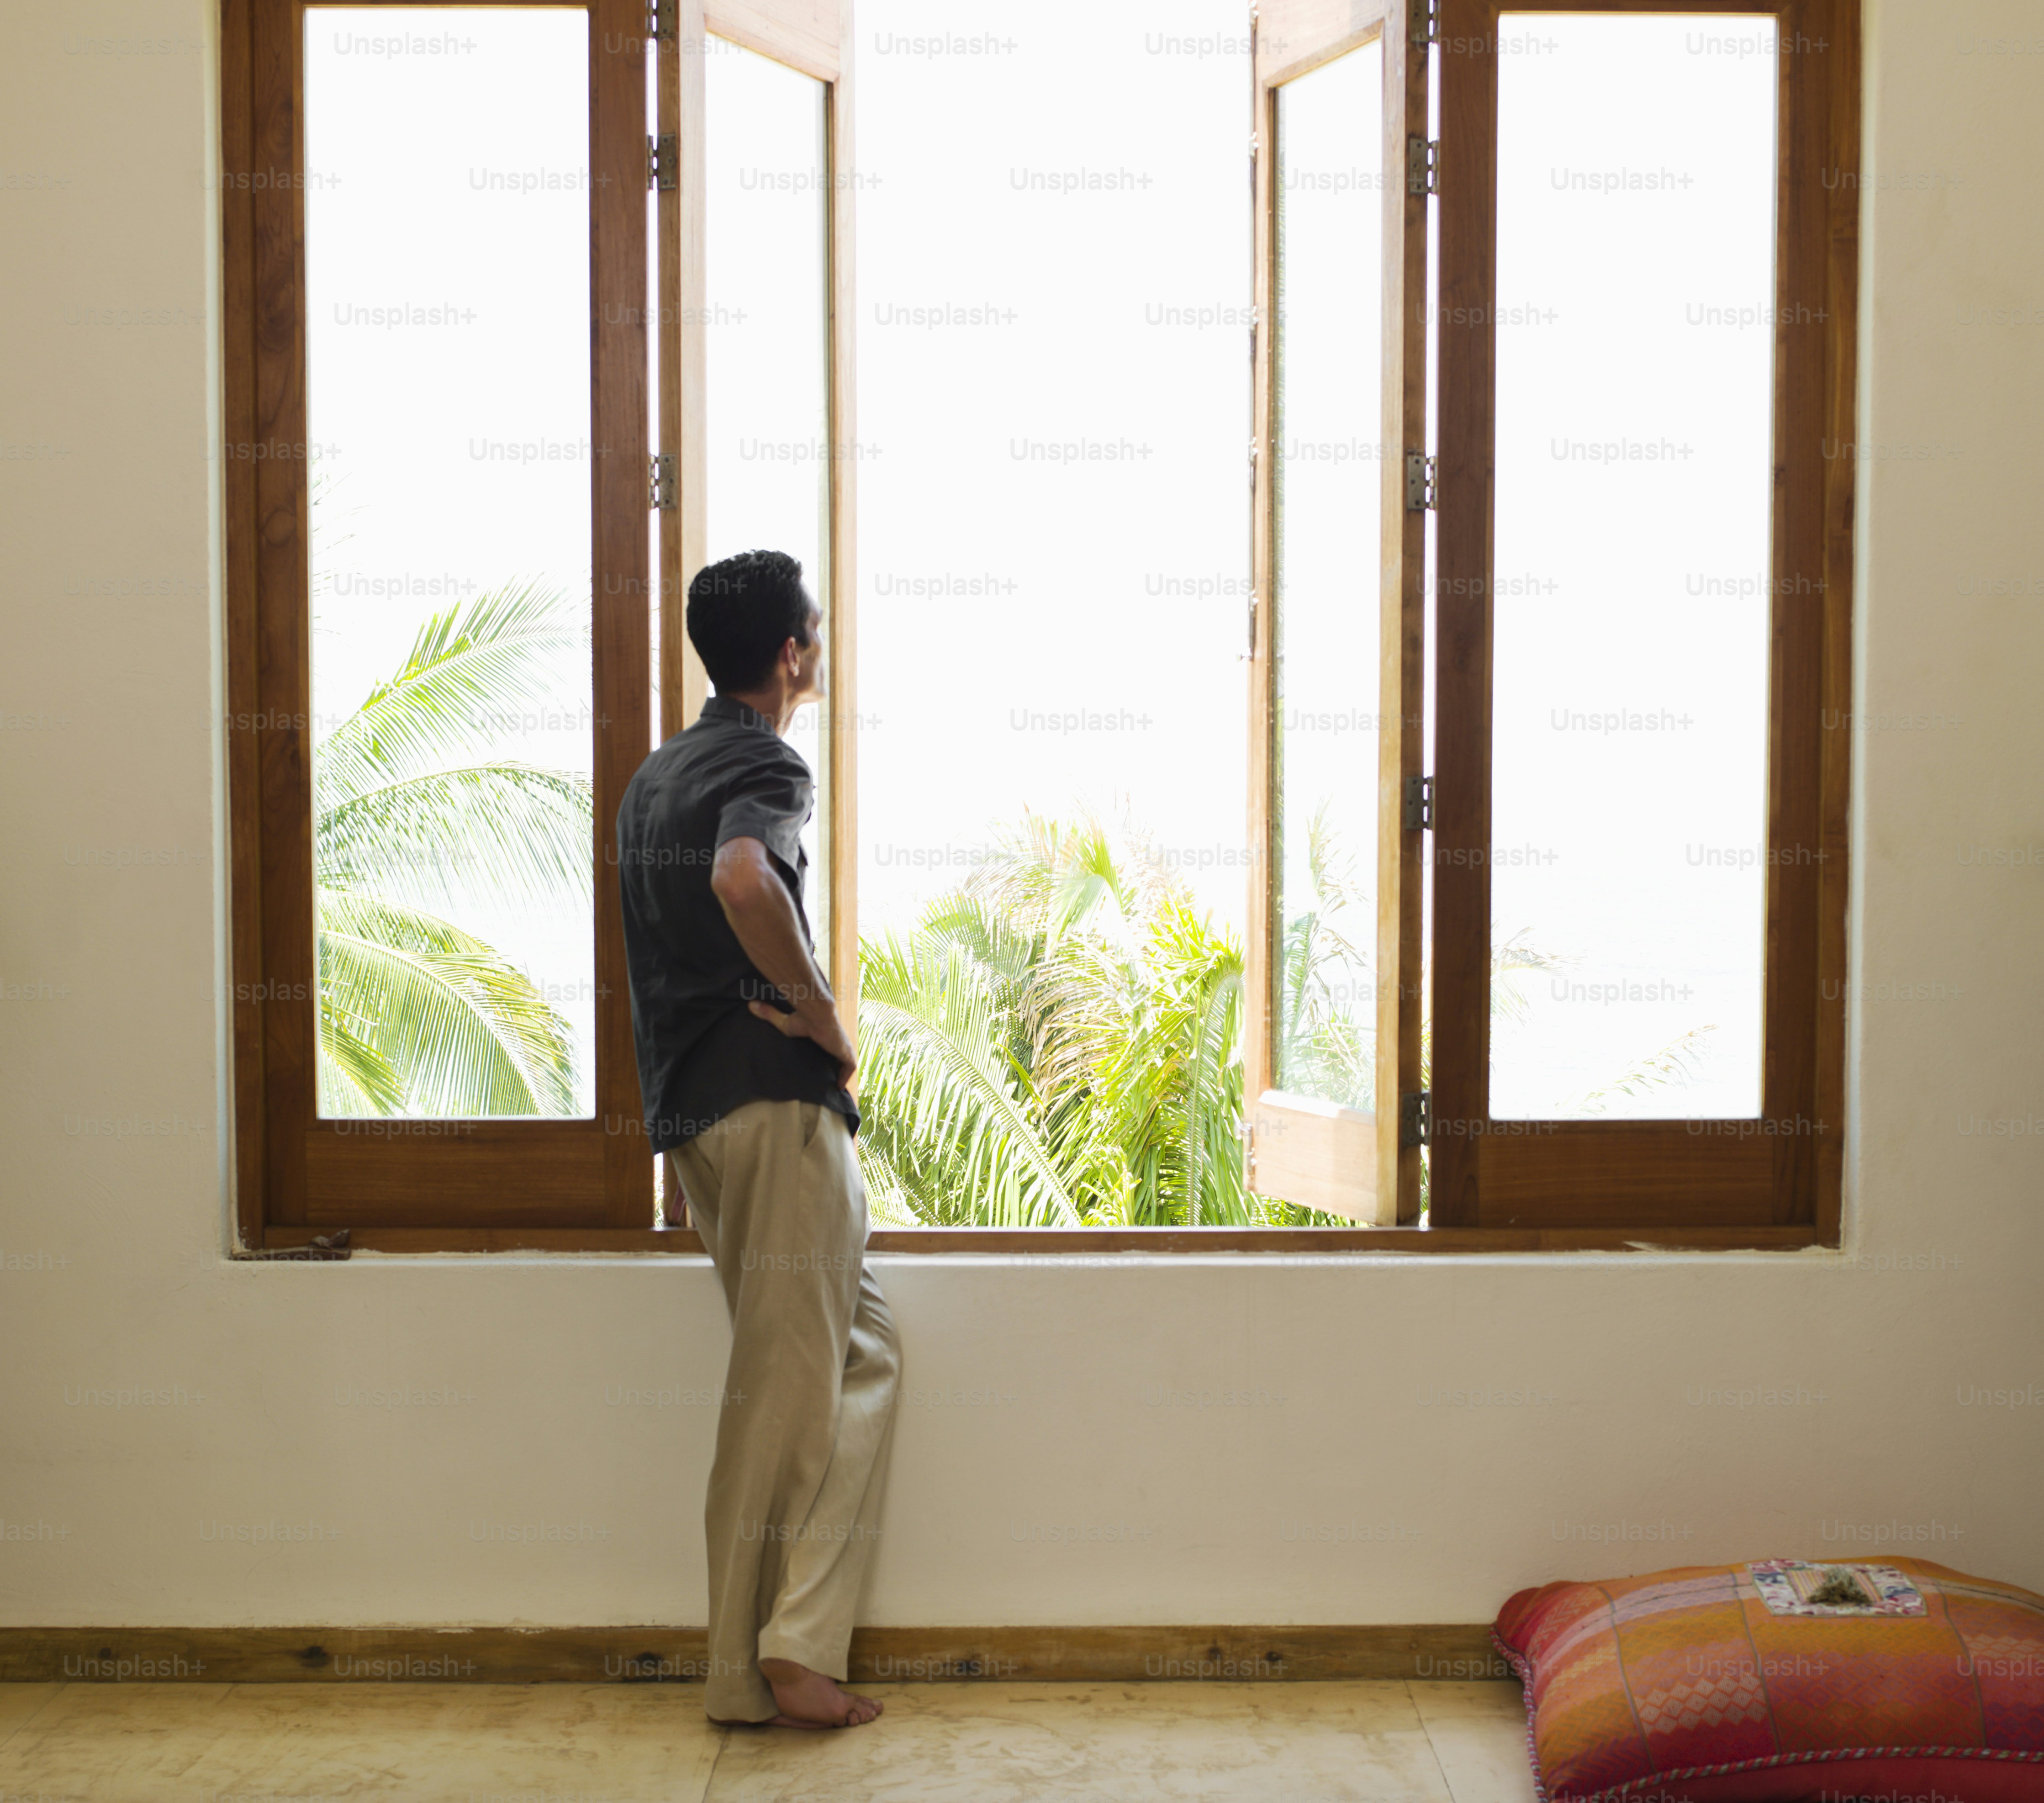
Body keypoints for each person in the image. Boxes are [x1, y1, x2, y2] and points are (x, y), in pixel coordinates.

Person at [616, 548, 898, 1729]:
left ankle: (793, 1636)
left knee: (862, 1348)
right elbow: (744, 879)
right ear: (790, 653)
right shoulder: (761, 757)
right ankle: (751, 1668)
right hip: (772, 1108)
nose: (819, 648)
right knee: (779, 1390)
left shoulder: (650, 779)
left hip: (696, 1123)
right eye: (815, 632)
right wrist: (825, 1011)